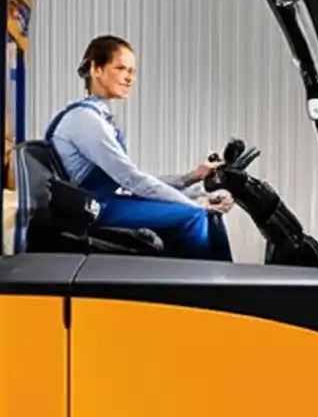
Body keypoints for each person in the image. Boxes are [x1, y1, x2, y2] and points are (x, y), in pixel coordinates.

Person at [44, 34, 233, 260]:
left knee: (211, 218)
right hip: (94, 209)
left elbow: (129, 183)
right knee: (194, 217)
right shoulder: (85, 121)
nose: (129, 78)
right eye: (121, 68)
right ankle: (200, 292)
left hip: (106, 201)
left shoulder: (100, 118)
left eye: (132, 71)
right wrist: (196, 206)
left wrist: (193, 179)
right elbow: (132, 180)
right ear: (96, 69)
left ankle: (225, 286)